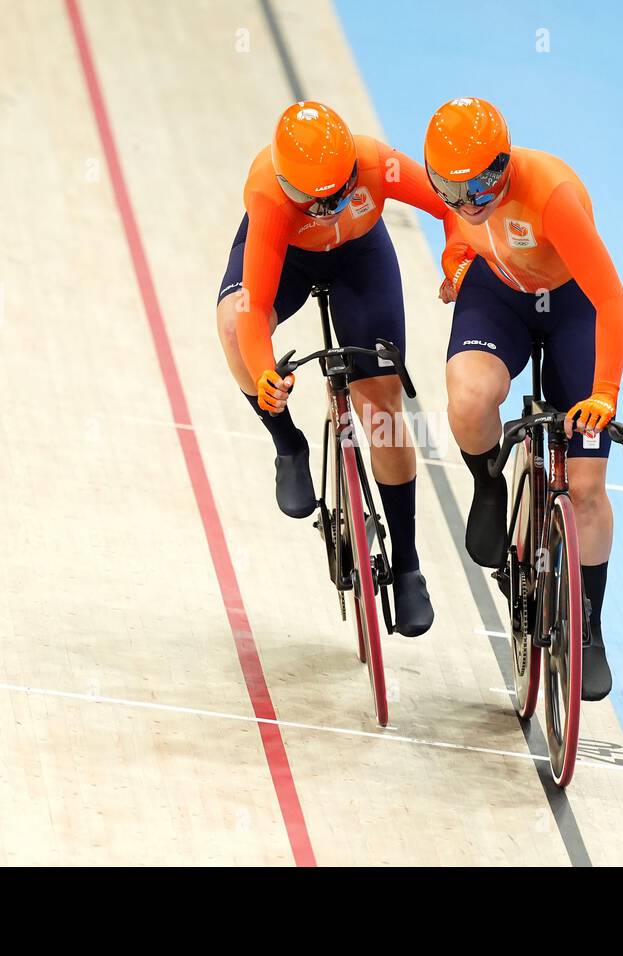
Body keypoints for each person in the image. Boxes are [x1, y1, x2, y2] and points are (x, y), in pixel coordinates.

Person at [424, 97, 623, 698]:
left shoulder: (551, 196)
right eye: (449, 191)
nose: (464, 203)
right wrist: (457, 257)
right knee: (468, 399)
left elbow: (613, 302)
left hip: (571, 307)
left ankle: (588, 628)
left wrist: (604, 395)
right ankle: (489, 486)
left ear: (502, 165)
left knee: (588, 485)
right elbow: (458, 227)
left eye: (476, 190)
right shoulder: (460, 195)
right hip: (501, 296)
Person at [216, 101, 447, 637]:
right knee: (231, 326)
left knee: (382, 406)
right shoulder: (270, 197)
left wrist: (456, 251)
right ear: (285, 184)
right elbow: (252, 312)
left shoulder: (374, 163)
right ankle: (287, 443)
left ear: (350, 173)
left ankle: (408, 564)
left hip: (358, 258)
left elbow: (452, 204)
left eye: (334, 195)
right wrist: (265, 375)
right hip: (287, 259)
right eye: (309, 200)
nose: (322, 208)